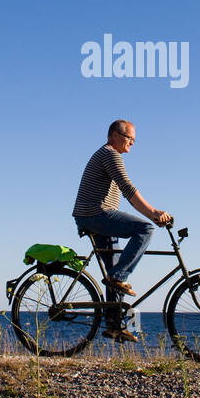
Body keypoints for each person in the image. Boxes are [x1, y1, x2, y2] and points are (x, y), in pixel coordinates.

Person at [72, 119, 170, 342]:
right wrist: (153, 214)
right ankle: (117, 278)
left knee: (115, 268)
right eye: (129, 138)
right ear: (113, 136)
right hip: (95, 214)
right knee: (144, 230)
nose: (132, 144)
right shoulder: (109, 154)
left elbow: (125, 193)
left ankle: (114, 326)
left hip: (94, 216)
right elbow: (128, 188)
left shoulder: (109, 155)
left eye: (134, 140)